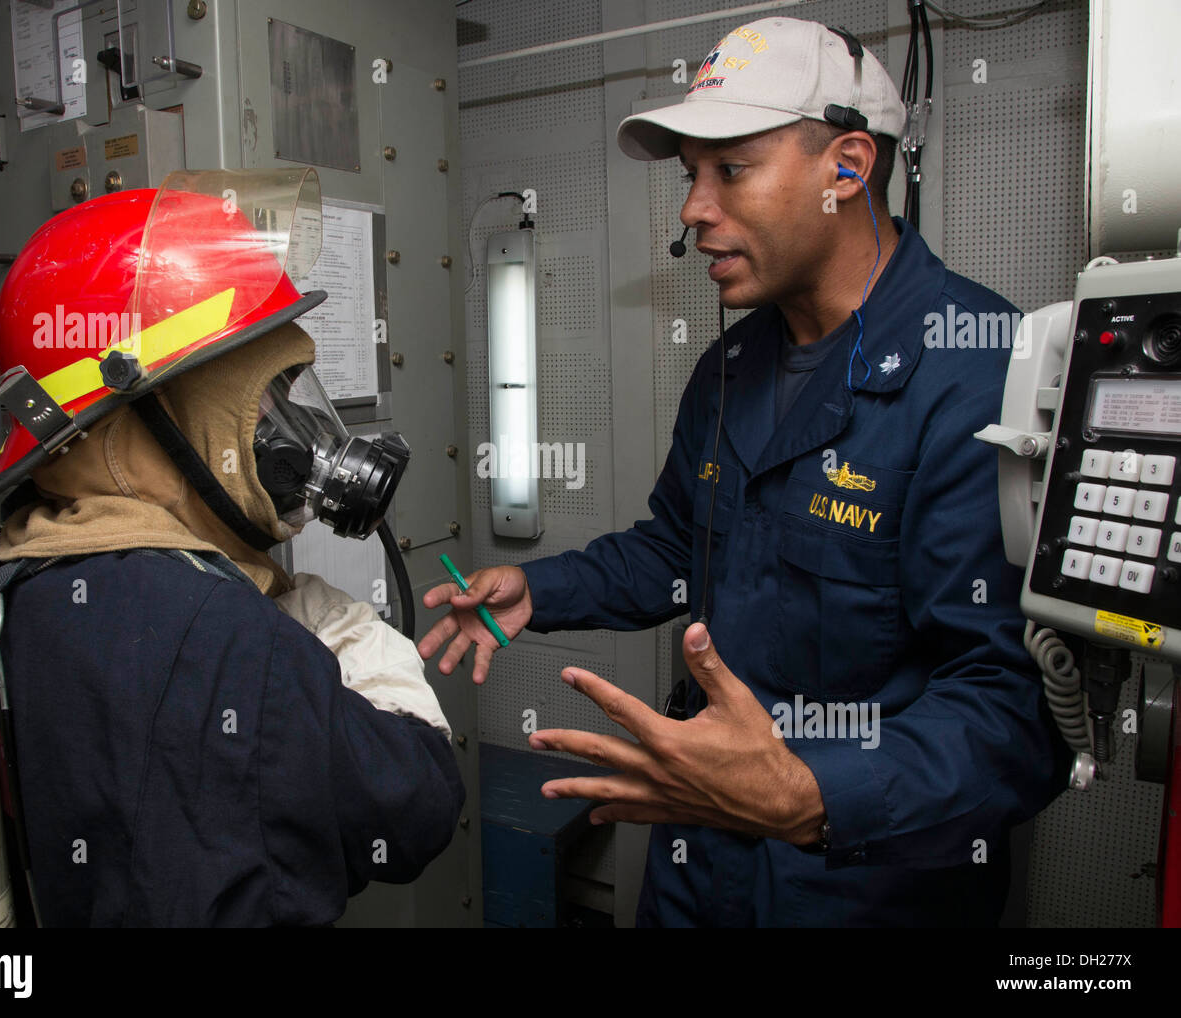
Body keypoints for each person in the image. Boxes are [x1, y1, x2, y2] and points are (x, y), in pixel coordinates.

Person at [420, 17, 1068, 926]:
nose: (692, 207)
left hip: (864, 883)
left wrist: (809, 789)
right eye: (692, 174)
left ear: (847, 168)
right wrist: (538, 586)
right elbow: (678, 548)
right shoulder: (730, 369)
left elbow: (1015, 713)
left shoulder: (976, 374)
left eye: (731, 169)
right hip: (704, 859)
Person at [0, 175, 464, 926]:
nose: (295, 441)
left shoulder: (20, 576)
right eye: (261, 407)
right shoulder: (222, 629)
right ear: (140, 416)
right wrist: (365, 651)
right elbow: (414, 807)